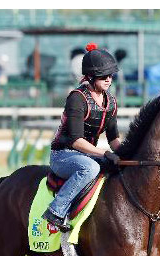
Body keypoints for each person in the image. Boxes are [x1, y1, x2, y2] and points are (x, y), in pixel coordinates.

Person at [43, 43, 122, 231]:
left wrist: (127, 154)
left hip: (87, 155)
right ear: (92, 76)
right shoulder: (77, 98)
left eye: (111, 75)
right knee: (90, 167)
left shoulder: (110, 102)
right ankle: (56, 211)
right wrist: (104, 153)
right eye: (104, 75)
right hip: (63, 156)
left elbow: (114, 139)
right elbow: (76, 141)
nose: (109, 79)